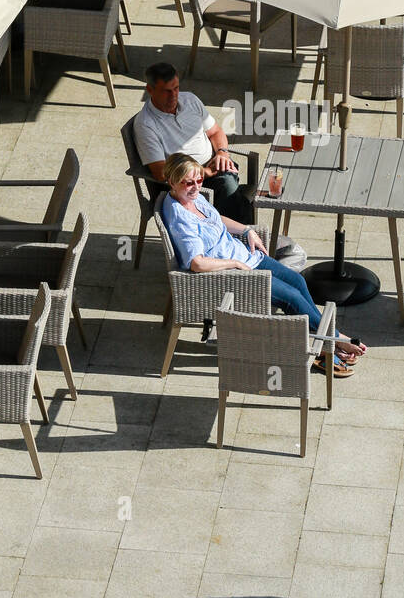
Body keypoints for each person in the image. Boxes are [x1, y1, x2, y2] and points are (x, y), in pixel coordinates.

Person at [160, 154, 367, 376]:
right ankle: (335, 340)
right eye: (188, 182)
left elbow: (217, 218)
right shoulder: (180, 218)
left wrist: (246, 230)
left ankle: (324, 343)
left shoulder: (192, 198)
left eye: (199, 180)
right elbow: (196, 263)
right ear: (172, 181)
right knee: (292, 299)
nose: (195, 187)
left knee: (297, 280)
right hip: (231, 275)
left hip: (246, 258)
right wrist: (235, 264)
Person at [134, 61, 254, 224]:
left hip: (213, 166)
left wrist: (222, 153)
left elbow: (216, 132)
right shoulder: (145, 124)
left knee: (231, 186)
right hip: (185, 182)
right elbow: (160, 172)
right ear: (150, 90)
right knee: (230, 189)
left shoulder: (190, 99)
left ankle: (241, 236)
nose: (174, 95)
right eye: (166, 91)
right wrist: (203, 172)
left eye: (176, 88)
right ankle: (246, 236)